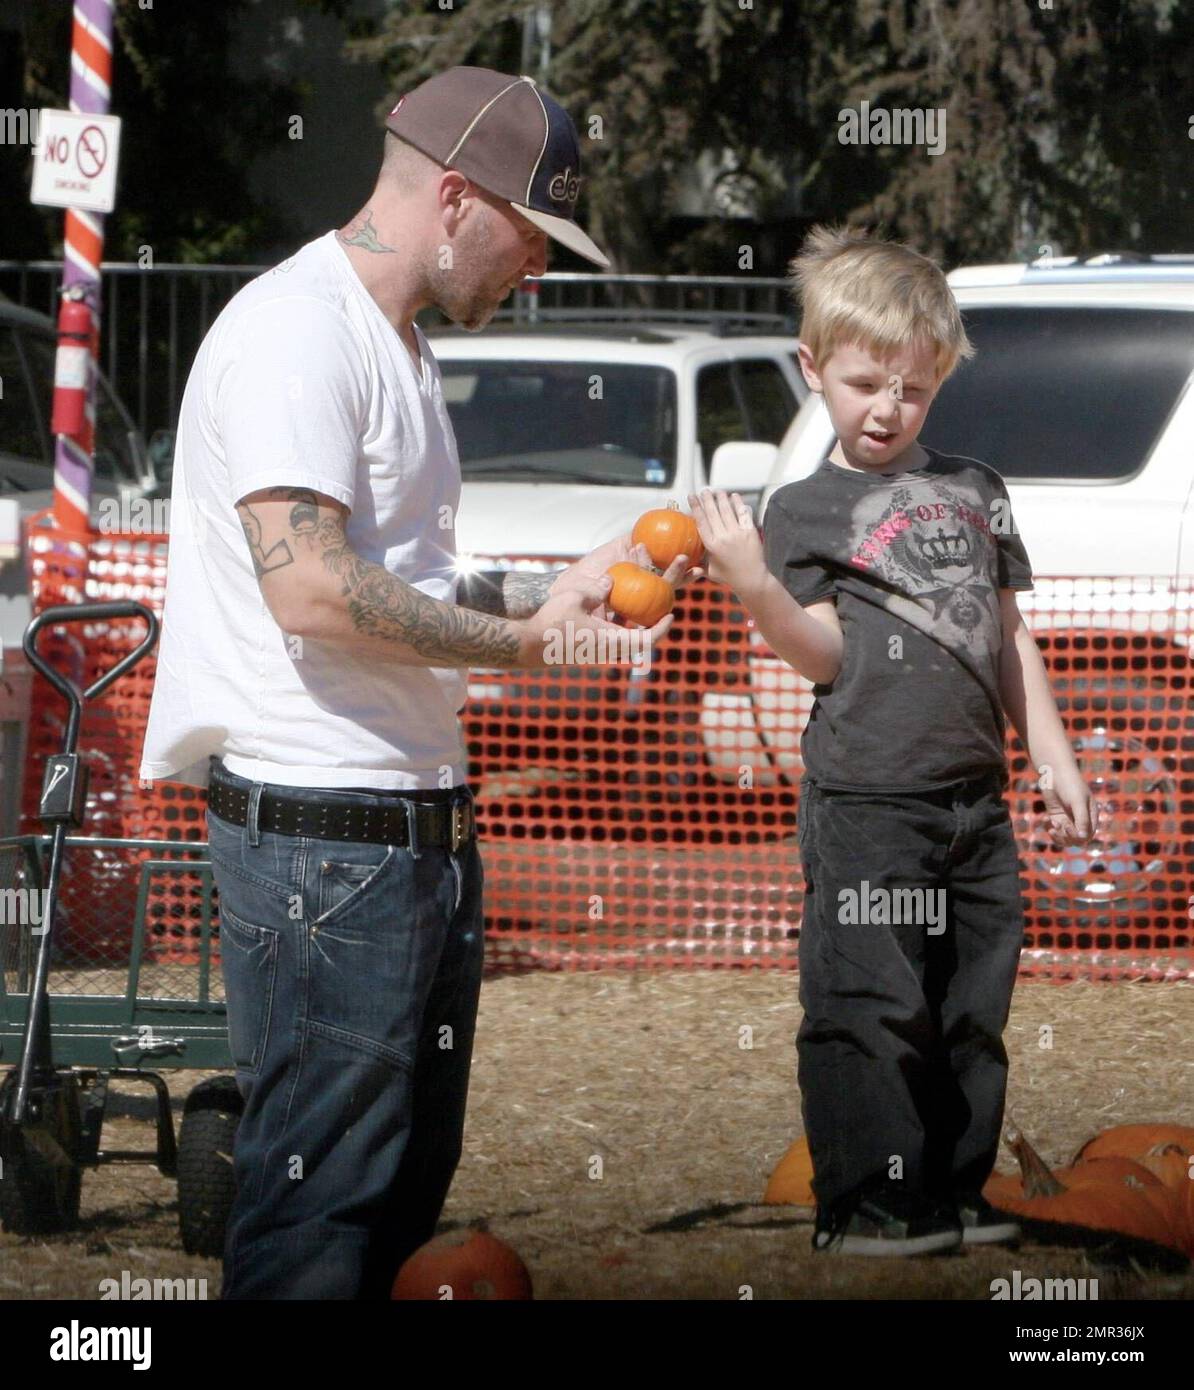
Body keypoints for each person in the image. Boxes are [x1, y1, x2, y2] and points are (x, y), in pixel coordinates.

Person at [138, 66, 689, 1299]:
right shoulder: (297, 331)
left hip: (401, 836)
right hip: (328, 846)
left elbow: (407, 582)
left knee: (392, 1192)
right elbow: (316, 590)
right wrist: (531, 647)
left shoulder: (397, 344)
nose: (537, 269)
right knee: (318, 1212)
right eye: (532, 235)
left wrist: (554, 590)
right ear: (454, 197)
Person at [688, 225, 1097, 1257]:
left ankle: (953, 1194)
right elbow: (820, 658)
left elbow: (1005, 633)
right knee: (870, 1004)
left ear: (942, 378)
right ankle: (869, 1205)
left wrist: (1051, 749)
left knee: (968, 1009)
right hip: (869, 801)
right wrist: (754, 587)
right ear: (812, 368)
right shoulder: (804, 508)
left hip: (976, 804)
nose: (887, 408)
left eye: (912, 389)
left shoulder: (976, 489)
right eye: (865, 382)